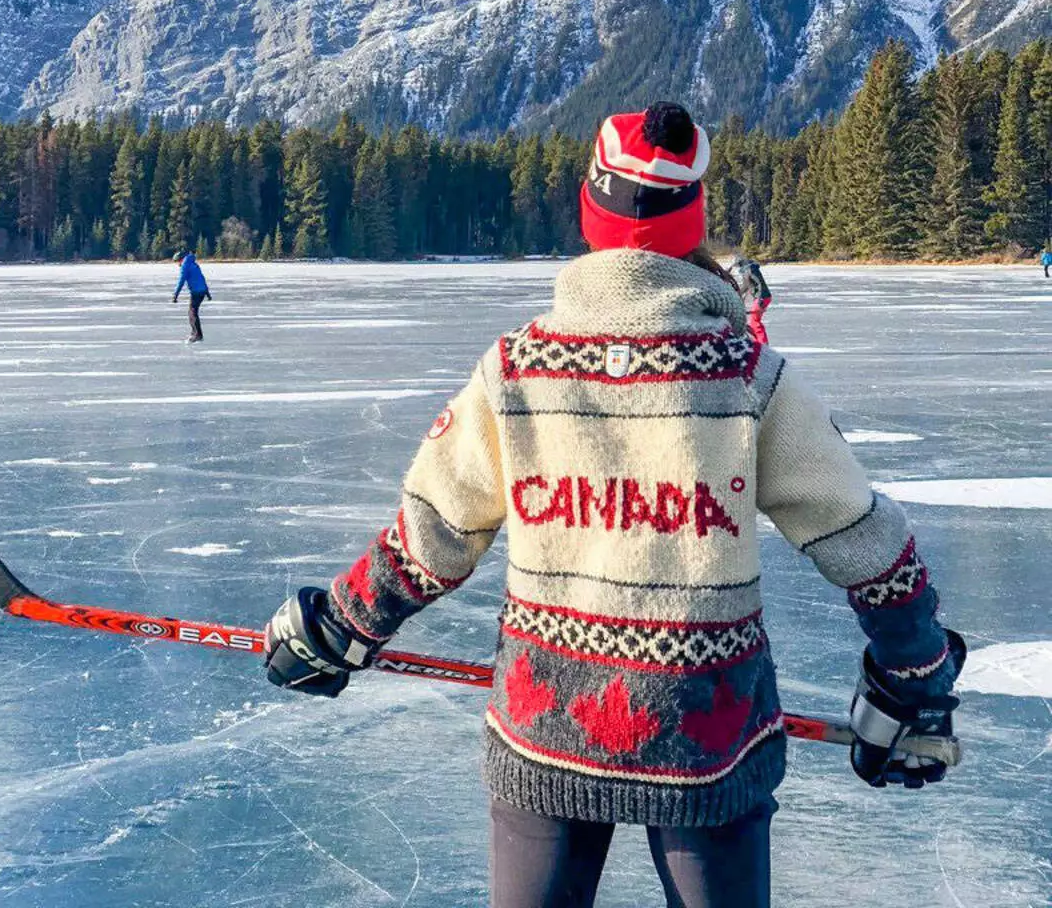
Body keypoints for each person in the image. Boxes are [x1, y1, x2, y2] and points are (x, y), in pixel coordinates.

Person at [262, 103, 963, 908]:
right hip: (708, 733)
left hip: (546, 720)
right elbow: (864, 540)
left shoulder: (516, 370)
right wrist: (917, 676)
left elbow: (434, 536)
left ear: (589, 211)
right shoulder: (748, 377)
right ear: (693, 218)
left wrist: (342, 627)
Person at [729, 255, 772, 345]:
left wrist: (760, 298)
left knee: (755, 322)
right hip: (762, 296)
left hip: (762, 297)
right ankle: (760, 343)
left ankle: (763, 344)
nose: (737, 268)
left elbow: (758, 284)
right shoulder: (748, 270)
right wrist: (737, 294)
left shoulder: (750, 270)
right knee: (754, 321)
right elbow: (747, 286)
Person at [172, 248, 211, 342]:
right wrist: (207, 292)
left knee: (192, 313)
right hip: (202, 291)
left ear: (180, 259)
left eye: (177, 262)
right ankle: (195, 333)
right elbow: (202, 278)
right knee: (193, 312)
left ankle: (197, 335)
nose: (178, 264)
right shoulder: (193, 264)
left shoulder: (185, 266)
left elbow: (181, 281)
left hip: (196, 292)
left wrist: (175, 295)